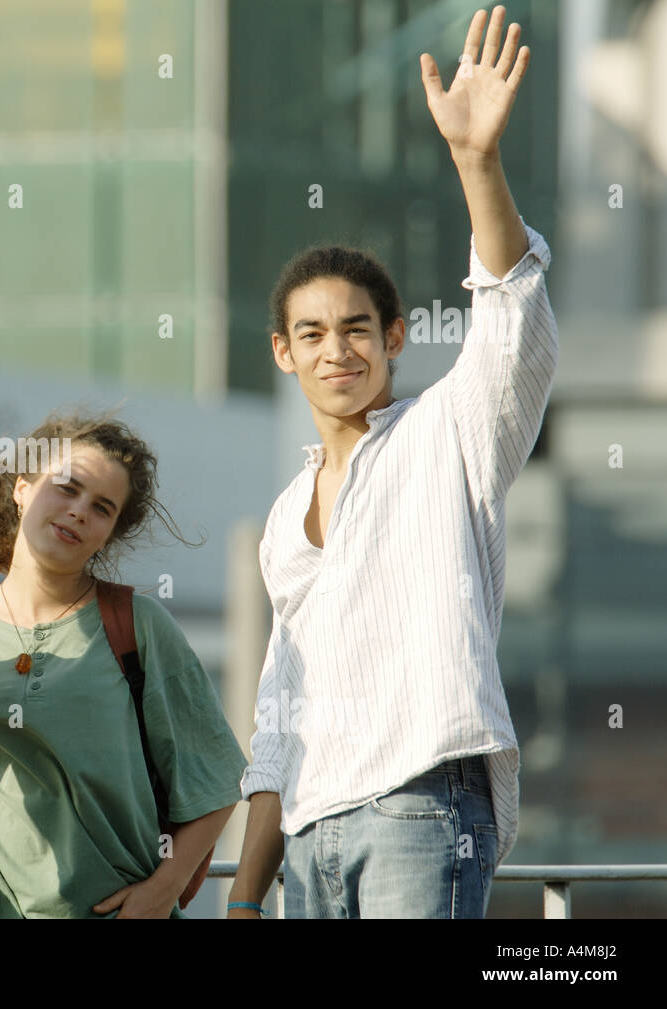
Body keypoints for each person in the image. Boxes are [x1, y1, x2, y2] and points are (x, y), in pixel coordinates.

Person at [228, 6, 557, 919]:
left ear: (395, 338)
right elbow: (276, 722)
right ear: (284, 353)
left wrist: (474, 161)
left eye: (356, 329)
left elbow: (510, 315)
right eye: (311, 333)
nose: (337, 350)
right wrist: (247, 894)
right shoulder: (286, 518)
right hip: (305, 835)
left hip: (423, 805)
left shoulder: (448, 431)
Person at [0, 412, 247, 918]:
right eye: (66, 488)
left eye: (101, 508)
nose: (78, 512)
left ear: (110, 531)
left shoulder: (137, 625)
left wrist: (164, 889)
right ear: (22, 487)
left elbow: (219, 782)